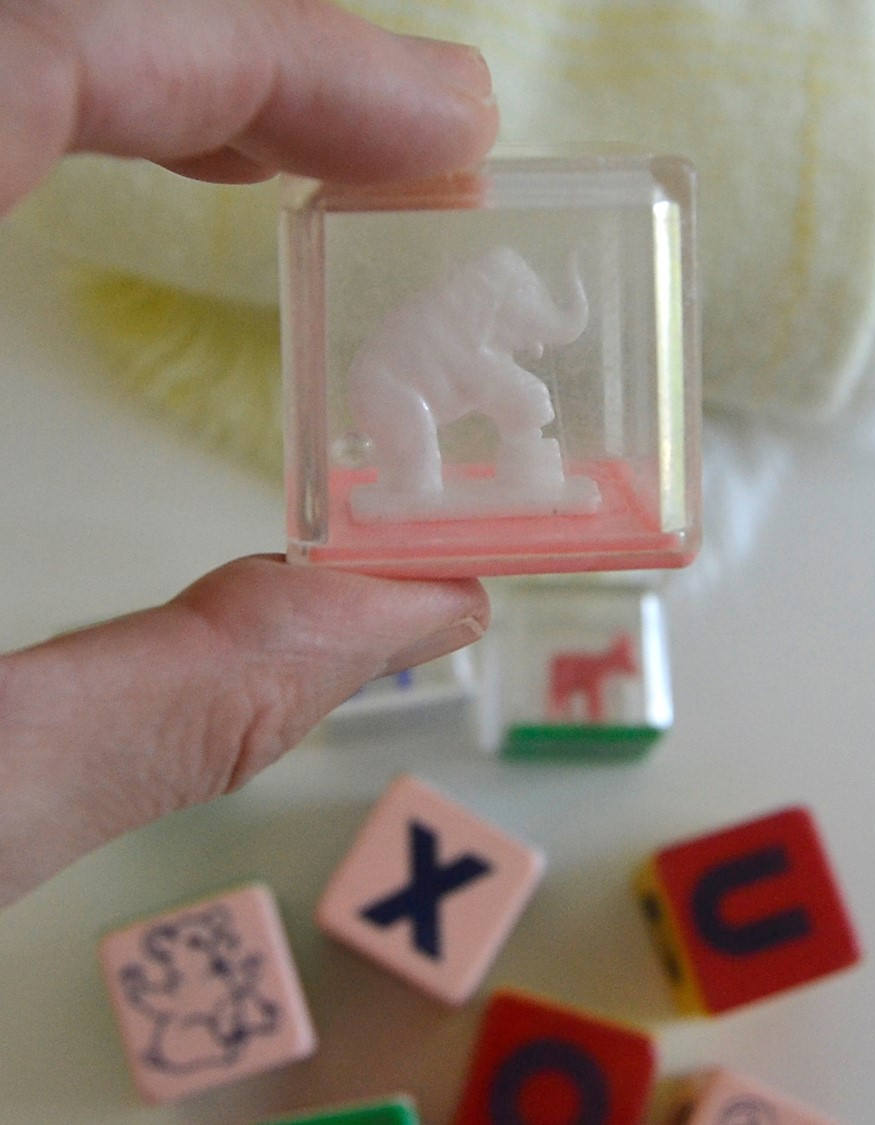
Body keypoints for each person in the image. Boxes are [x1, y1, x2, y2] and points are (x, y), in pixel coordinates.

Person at [0, 0, 500, 907]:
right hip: (393, 400)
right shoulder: (438, 314)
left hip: (408, 392)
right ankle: (413, 489)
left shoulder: (459, 314)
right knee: (417, 454)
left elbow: (473, 374)